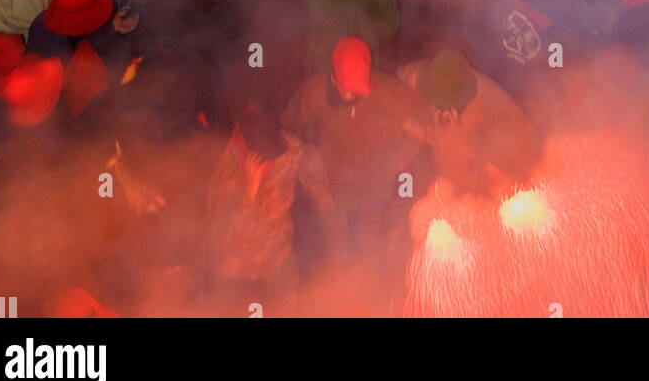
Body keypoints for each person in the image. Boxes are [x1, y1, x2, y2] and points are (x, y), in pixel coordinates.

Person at [282, 36, 428, 261]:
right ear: (333, 76)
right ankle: (339, 282)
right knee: (336, 250)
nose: (352, 94)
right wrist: (312, 175)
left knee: (369, 245)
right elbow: (287, 132)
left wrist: (399, 161)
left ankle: (365, 283)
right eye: (346, 88)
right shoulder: (312, 93)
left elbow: (422, 127)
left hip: (375, 185)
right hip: (333, 185)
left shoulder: (390, 92)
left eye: (358, 89)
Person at [206, 100, 333, 315]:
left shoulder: (287, 147)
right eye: (267, 156)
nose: (272, 160)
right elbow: (231, 237)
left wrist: (322, 200)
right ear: (249, 153)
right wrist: (251, 191)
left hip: (279, 256)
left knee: (288, 308)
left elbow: (306, 160)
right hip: (242, 272)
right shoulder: (227, 178)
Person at [398, 49, 542, 195]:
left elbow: (518, 163)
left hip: (474, 191)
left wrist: (487, 189)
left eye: (444, 101)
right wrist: (409, 123)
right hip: (444, 175)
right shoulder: (423, 76)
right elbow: (393, 92)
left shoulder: (493, 109)